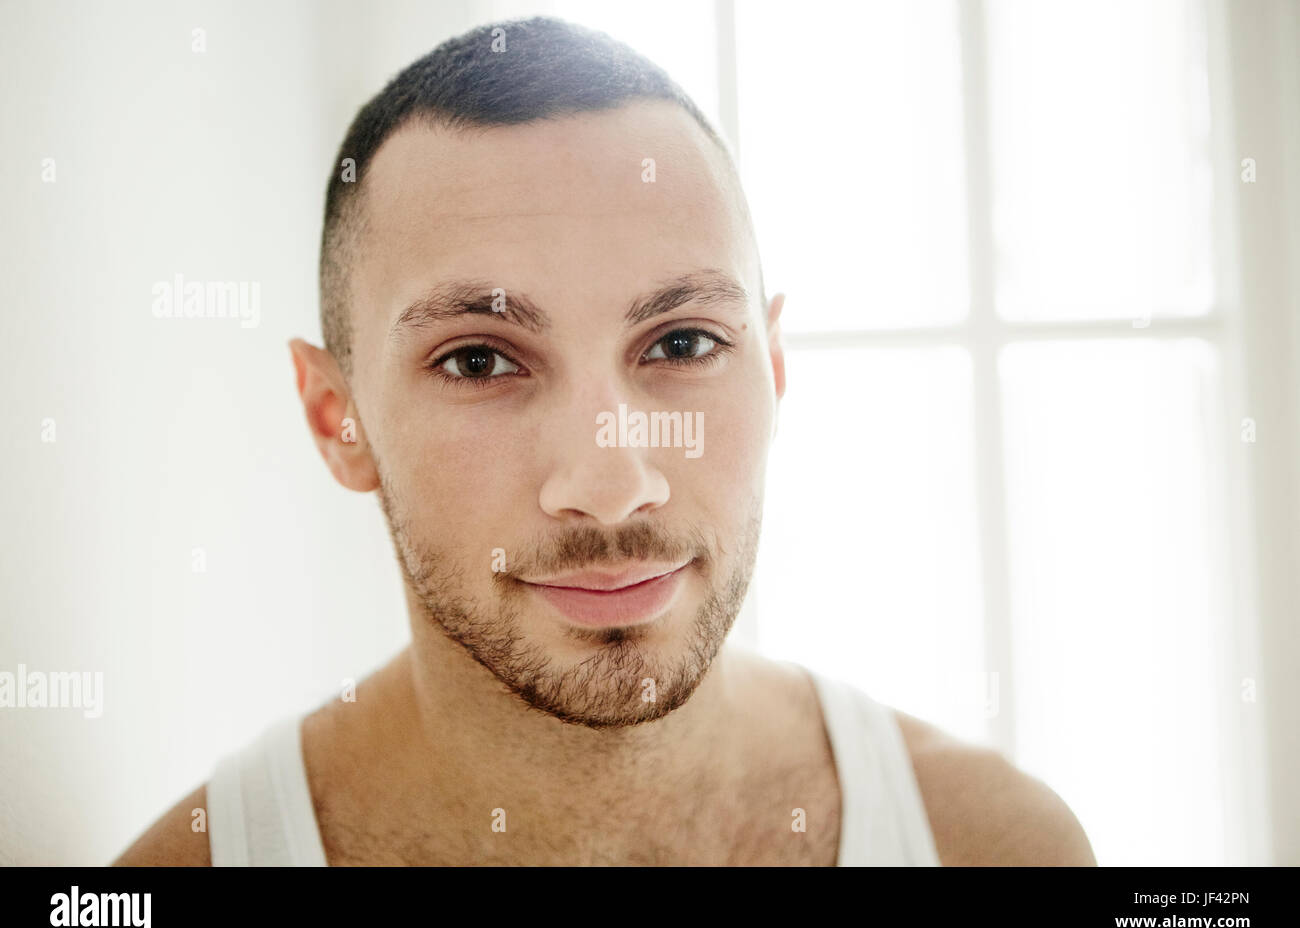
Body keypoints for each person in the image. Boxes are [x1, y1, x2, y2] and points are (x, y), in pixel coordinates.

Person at [114, 15, 1095, 866]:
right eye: (479, 361)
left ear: (775, 370)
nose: (611, 484)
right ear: (338, 419)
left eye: (681, 341)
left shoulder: (997, 842)